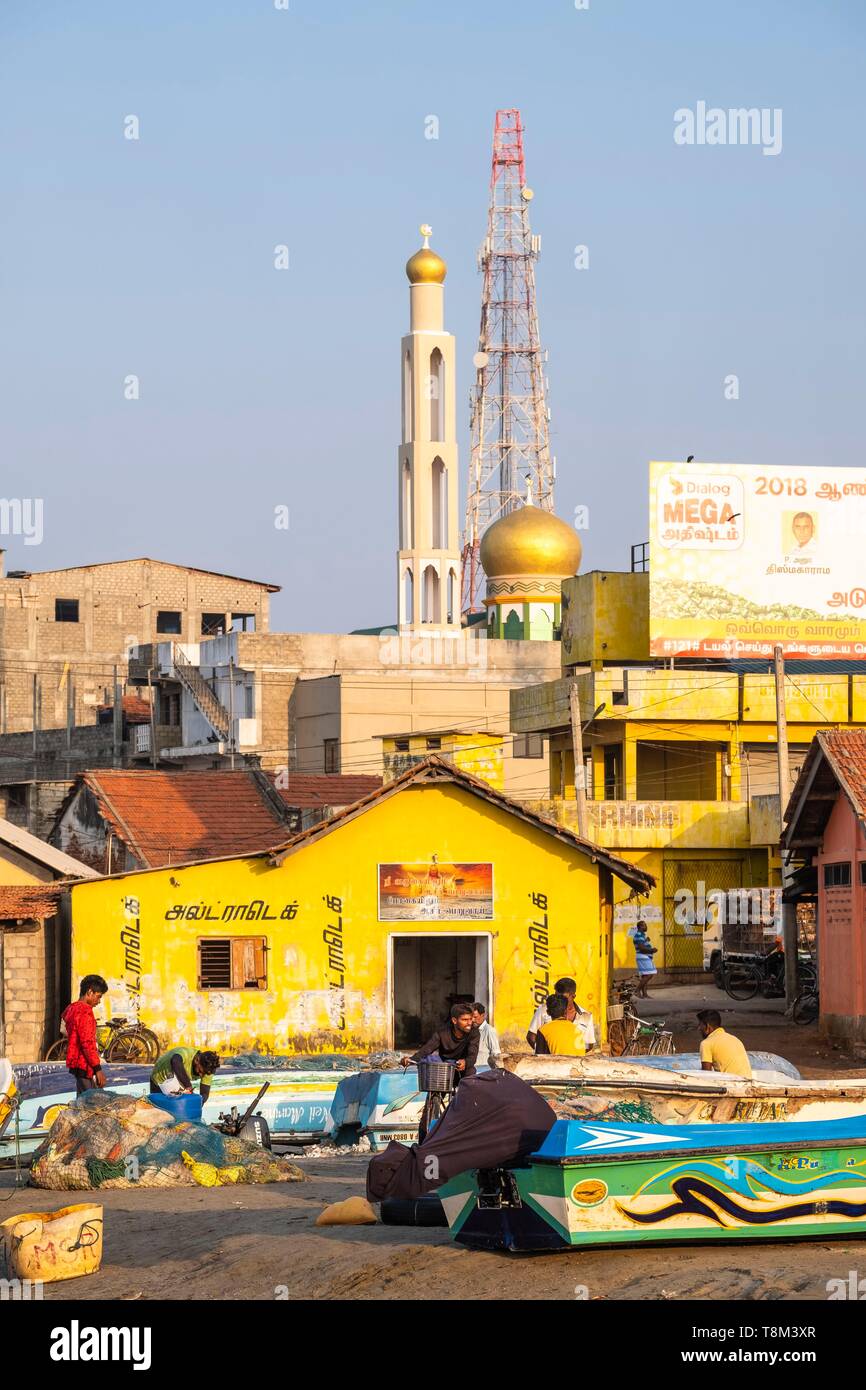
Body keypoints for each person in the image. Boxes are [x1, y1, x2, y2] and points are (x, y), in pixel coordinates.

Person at [401, 1002, 479, 1078]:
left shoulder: (474, 1032)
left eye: (470, 1019)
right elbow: (427, 1049)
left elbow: (472, 1055)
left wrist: (465, 1062)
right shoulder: (442, 1032)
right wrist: (411, 1060)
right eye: (465, 1020)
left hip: (464, 1069)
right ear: (454, 1021)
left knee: (470, 1073)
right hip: (444, 1069)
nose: (469, 1023)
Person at [63, 974, 108, 1096]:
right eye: (98, 997)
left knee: (83, 1099)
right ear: (89, 992)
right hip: (84, 1064)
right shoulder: (85, 1012)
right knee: (92, 1103)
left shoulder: (72, 1008)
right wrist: (98, 1070)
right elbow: (87, 1043)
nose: (98, 1002)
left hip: (76, 1063)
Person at [526, 976, 596, 1051]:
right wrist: (543, 1054)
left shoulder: (586, 1016)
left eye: (563, 997)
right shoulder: (544, 1009)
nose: (559, 1000)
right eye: (557, 996)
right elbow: (531, 1037)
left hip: (575, 1061)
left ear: (573, 996)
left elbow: (589, 1044)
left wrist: (574, 1053)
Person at [150, 1046, 221, 1103]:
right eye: (199, 1071)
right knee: (158, 1109)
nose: (201, 1076)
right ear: (197, 1060)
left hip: (175, 1080)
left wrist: (197, 1103)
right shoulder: (185, 1053)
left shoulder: (209, 1069)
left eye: (204, 1074)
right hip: (158, 1079)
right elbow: (175, 1061)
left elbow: (204, 1094)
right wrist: (188, 1086)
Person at [697, 1010, 752, 1079]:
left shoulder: (706, 1043)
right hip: (749, 1081)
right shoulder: (734, 1039)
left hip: (731, 1084)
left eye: (700, 1024)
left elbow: (706, 1074)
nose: (698, 1028)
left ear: (707, 1026)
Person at [471, 1002, 501, 1068]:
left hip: (484, 1068)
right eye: (471, 1017)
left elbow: (496, 1053)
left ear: (483, 1015)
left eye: (475, 1017)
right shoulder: (471, 1030)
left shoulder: (489, 1030)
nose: (472, 1020)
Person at [632, 924, 657, 998]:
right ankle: (637, 990)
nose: (646, 926)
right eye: (644, 925)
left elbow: (641, 944)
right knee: (650, 974)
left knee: (645, 975)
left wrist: (646, 940)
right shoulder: (639, 935)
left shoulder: (641, 935)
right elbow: (641, 948)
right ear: (640, 927)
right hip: (643, 956)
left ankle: (645, 994)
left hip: (644, 956)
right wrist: (652, 950)